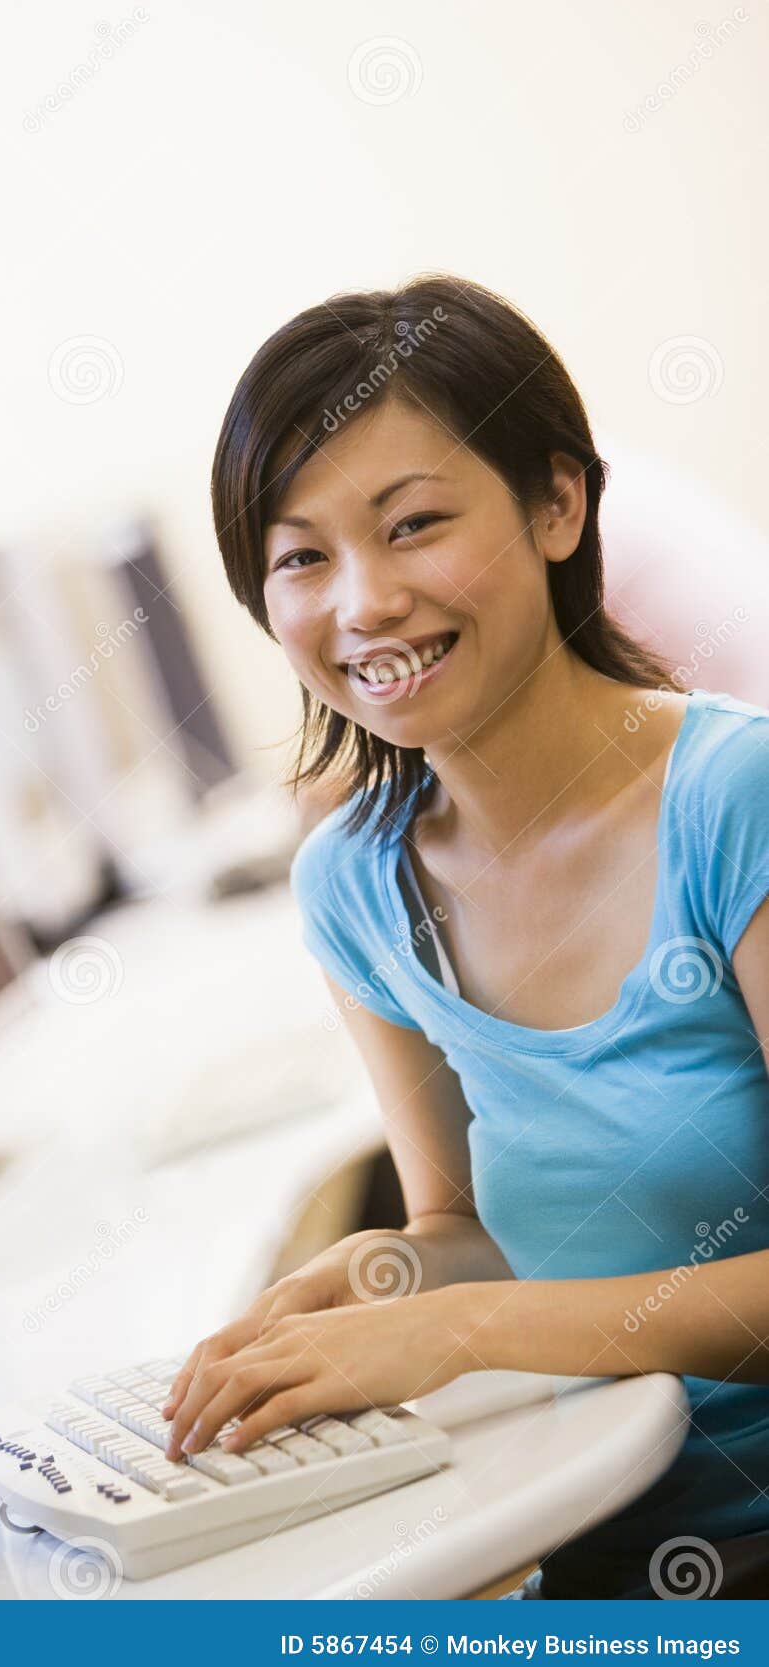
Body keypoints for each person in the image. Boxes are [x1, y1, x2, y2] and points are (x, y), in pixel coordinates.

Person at [160, 275, 769, 1600]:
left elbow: (491, 1304)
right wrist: (383, 1273)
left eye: (414, 526)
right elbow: (466, 1226)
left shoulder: (737, 798)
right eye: (302, 557)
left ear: (558, 506)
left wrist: (466, 1329)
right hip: (596, 1535)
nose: (364, 602)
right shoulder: (353, 886)